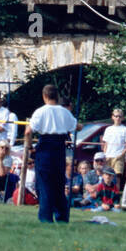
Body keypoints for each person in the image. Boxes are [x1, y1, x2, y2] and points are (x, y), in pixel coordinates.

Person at [24, 83, 77, 224]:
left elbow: (28, 131)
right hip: (59, 148)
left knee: (45, 184)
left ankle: (46, 218)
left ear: (44, 96)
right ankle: (62, 217)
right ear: (57, 96)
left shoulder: (40, 112)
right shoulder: (64, 112)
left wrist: (30, 147)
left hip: (45, 147)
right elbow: (76, 126)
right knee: (59, 184)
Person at [101, 108, 126, 186]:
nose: (118, 118)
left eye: (120, 116)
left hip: (118, 157)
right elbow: (105, 143)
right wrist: (105, 154)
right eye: (116, 116)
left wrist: (122, 155)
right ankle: (106, 196)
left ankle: (116, 196)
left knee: (117, 178)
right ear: (112, 117)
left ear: (122, 118)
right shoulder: (108, 129)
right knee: (106, 178)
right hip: (108, 156)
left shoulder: (125, 129)